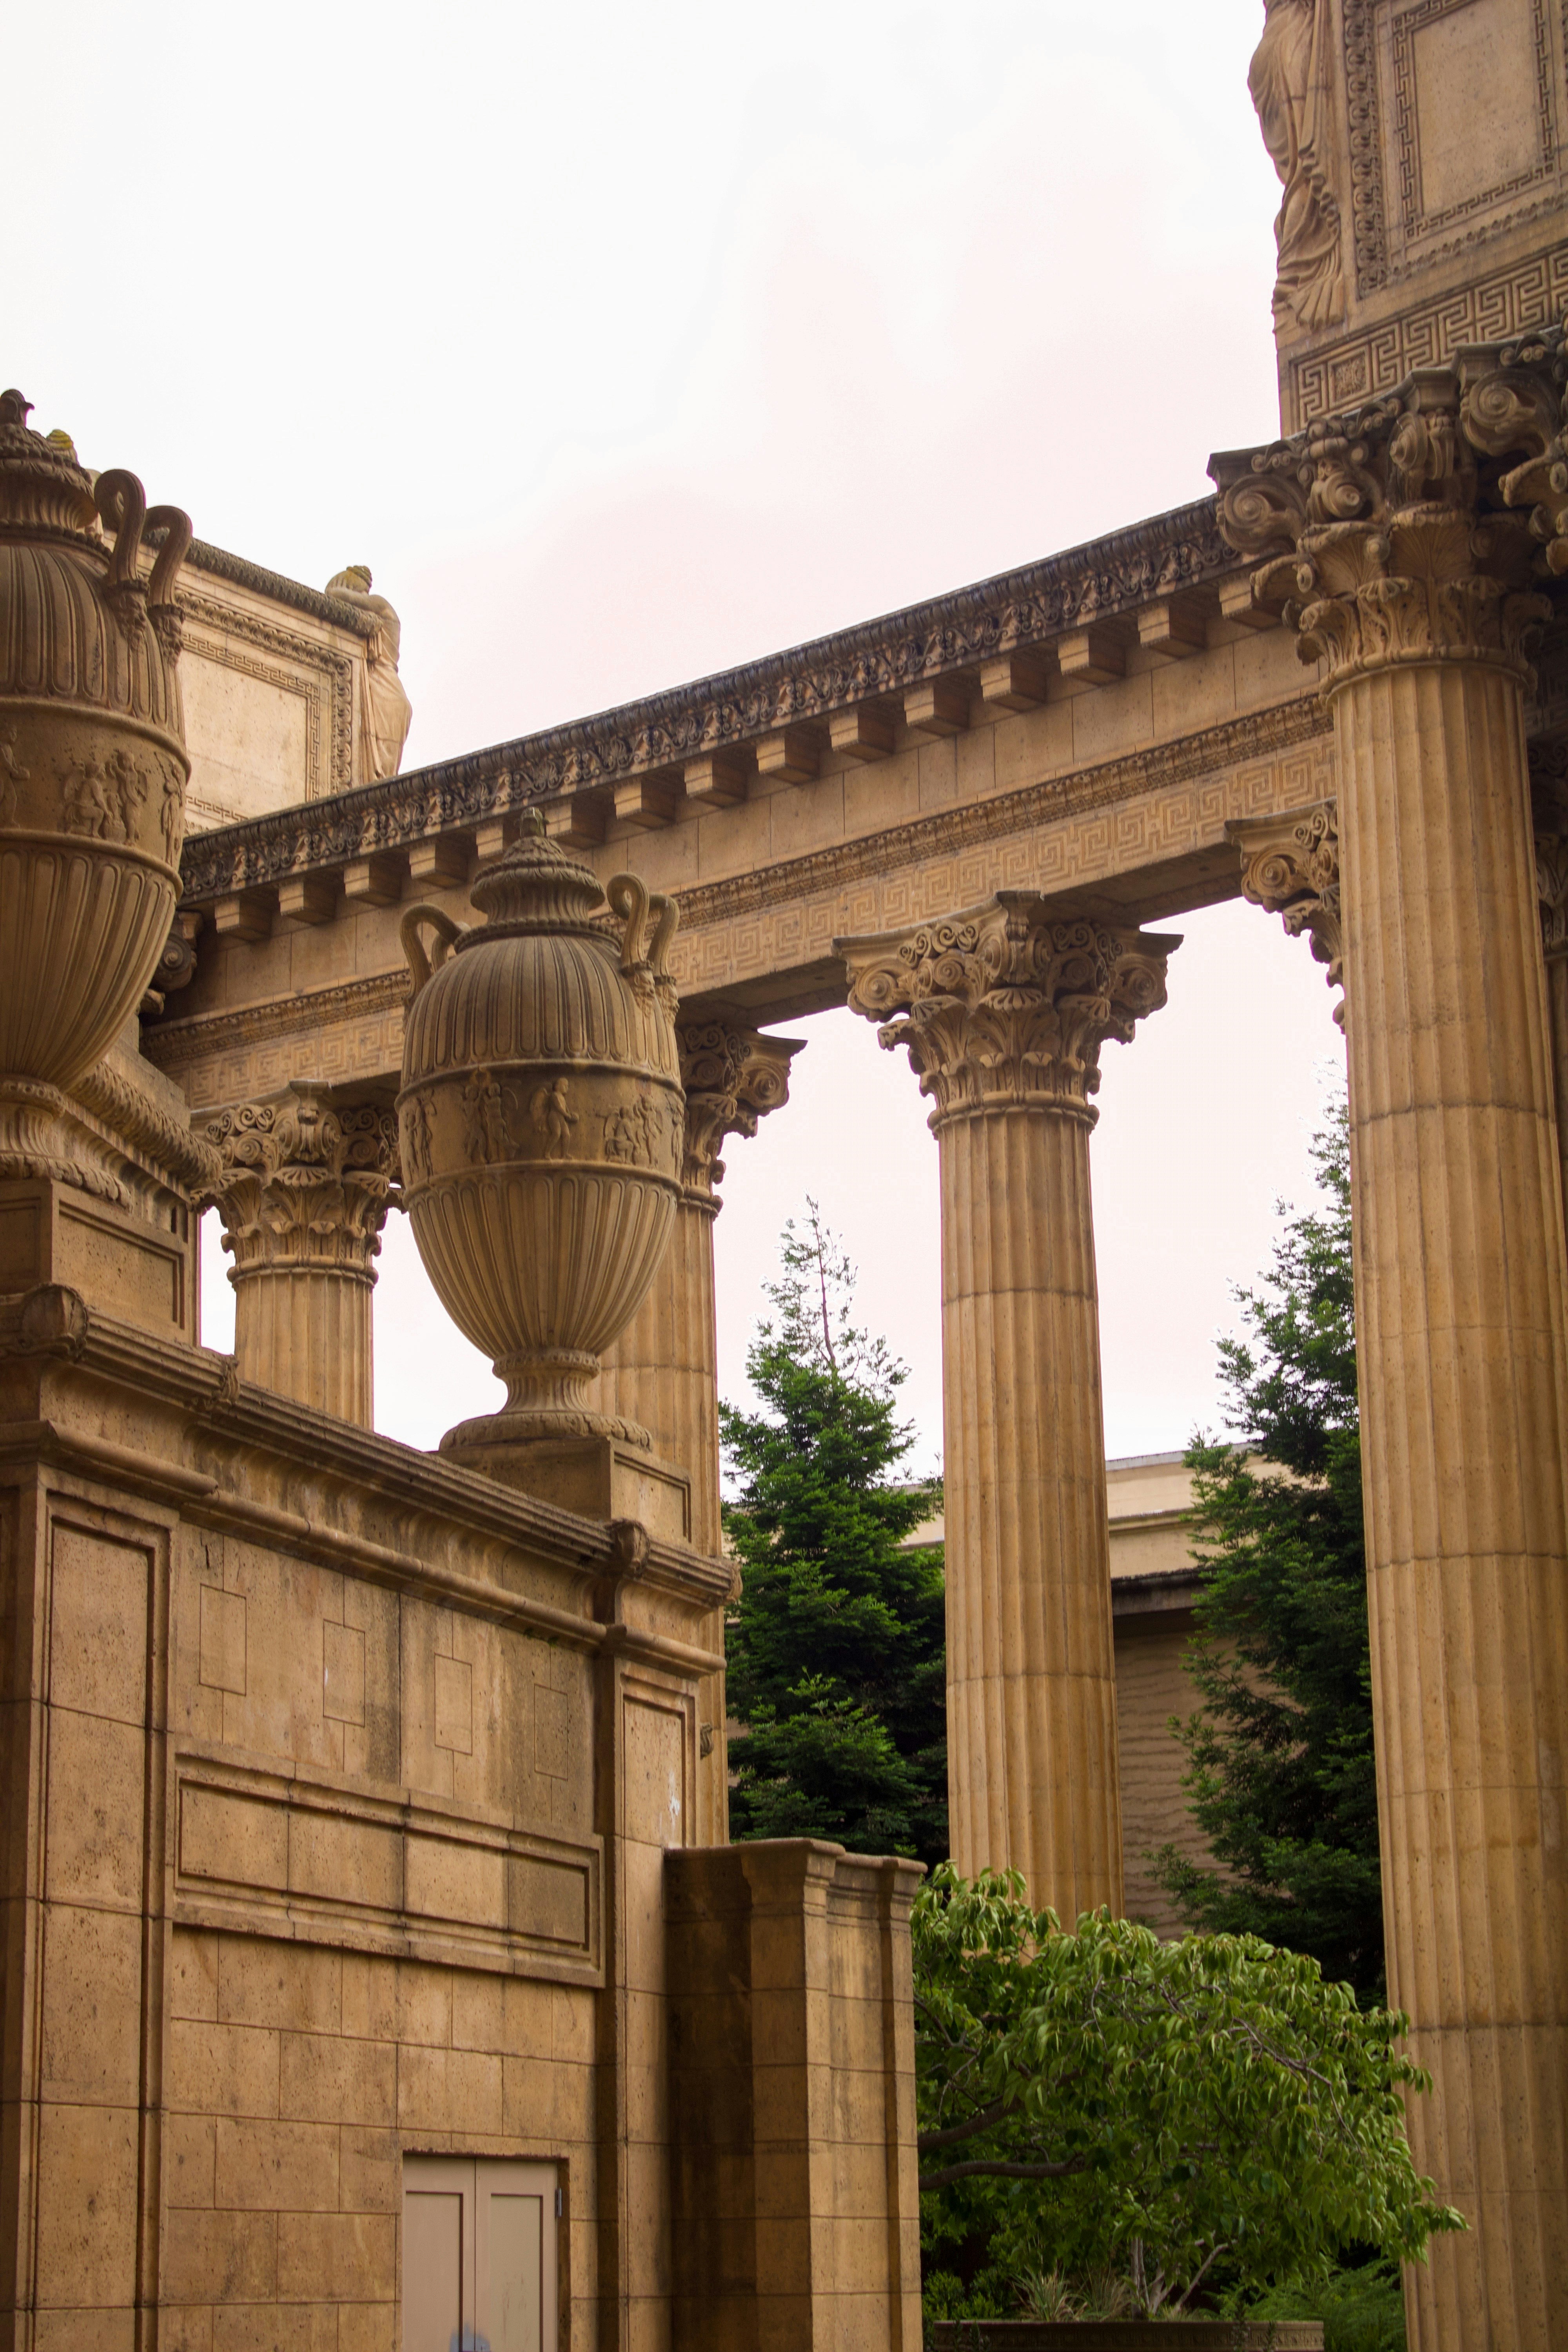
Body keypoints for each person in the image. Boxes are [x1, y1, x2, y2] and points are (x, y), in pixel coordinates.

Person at [327, 564, 414, 782]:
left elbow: (332, 594)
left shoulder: (380, 605)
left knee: (381, 776)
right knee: (379, 773)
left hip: (383, 691)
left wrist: (338, 584)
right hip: (391, 692)